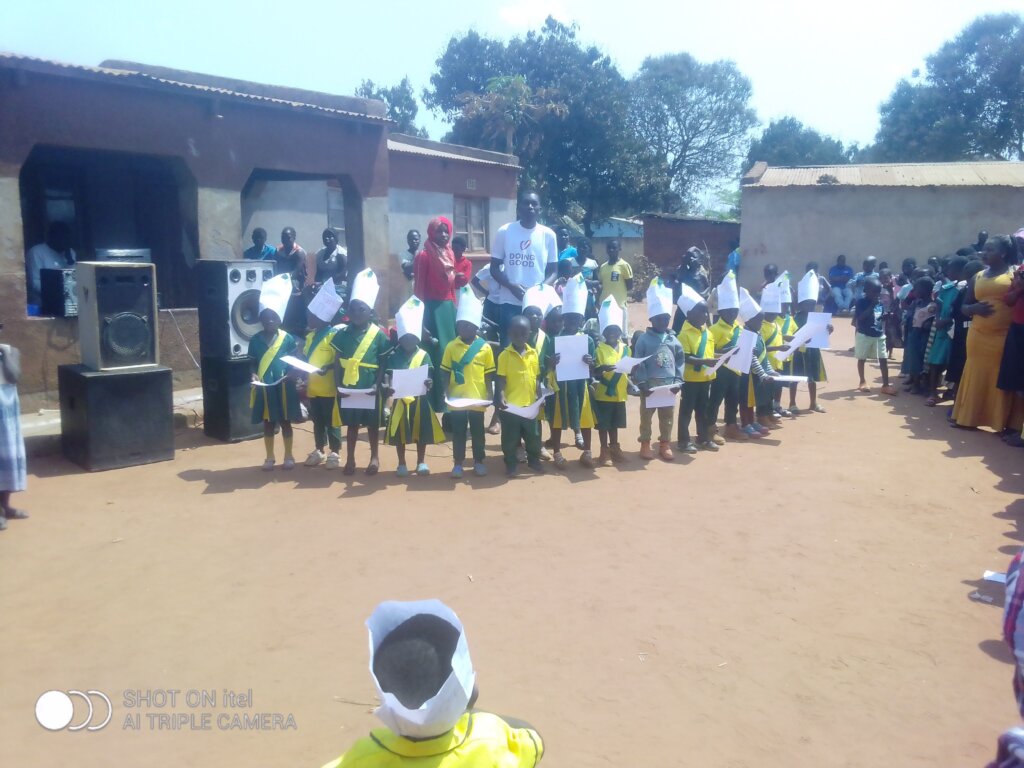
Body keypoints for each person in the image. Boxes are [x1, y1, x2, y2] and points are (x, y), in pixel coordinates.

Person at [319, 599, 544, 768]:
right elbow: (533, 738)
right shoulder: (492, 742)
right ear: (467, 692)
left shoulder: (360, 758)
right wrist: (470, 710)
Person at [952, 235, 1024, 432]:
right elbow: (963, 306)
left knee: (1000, 376)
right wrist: (974, 308)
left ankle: (1001, 422)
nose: (985, 252)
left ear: (1002, 253)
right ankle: (968, 417)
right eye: (984, 249)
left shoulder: (1015, 274)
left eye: (990, 249)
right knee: (975, 371)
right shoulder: (978, 276)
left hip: (1005, 336)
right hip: (978, 334)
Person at [333, 269, 389, 475]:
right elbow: (337, 362)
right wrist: (337, 385)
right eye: (353, 309)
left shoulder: (379, 335)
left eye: (361, 309)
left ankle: (374, 458)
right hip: (349, 386)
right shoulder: (342, 334)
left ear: (370, 312)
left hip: (370, 386)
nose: (357, 313)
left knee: (372, 425)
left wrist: (378, 383)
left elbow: (383, 361)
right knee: (352, 424)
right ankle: (350, 459)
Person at [385, 297, 445, 477]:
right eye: (405, 337)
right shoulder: (394, 356)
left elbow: (429, 376)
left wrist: (429, 382)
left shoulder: (424, 355)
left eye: (412, 337)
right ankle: (401, 463)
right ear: (400, 337)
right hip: (399, 400)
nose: (408, 340)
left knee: (421, 432)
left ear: (417, 337)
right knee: (400, 435)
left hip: (420, 400)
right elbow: (389, 375)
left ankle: (421, 461)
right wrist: (388, 387)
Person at [248, 274, 302, 471]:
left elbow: (294, 361)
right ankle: (269, 457)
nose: (269, 319)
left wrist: (293, 373)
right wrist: (252, 375)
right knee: (268, 422)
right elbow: (251, 363)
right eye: (266, 316)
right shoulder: (255, 340)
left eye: (274, 316)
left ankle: (289, 455)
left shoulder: (287, 339)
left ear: (280, 318)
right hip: (265, 388)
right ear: (260, 318)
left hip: (284, 386)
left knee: (286, 421)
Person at [489, 192, 558, 345]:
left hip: (536, 304)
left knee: (535, 347)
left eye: (534, 204)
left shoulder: (548, 235)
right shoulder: (505, 231)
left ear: (540, 209)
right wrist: (510, 286)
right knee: (508, 346)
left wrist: (538, 292)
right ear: (518, 209)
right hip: (509, 301)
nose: (530, 206)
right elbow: (494, 268)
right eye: (526, 203)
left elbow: (554, 271)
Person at [442, 287, 495, 479]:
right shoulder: (451, 347)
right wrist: (446, 391)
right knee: (458, 432)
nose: (463, 328)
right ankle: (458, 463)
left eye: (467, 325)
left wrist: (489, 393)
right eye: (460, 325)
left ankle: (479, 461)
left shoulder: (485, 348)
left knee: (478, 432)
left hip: (477, 398)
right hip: (457, 399)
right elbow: (445, 371)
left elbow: (489, 373)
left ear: (476, 327)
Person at [632, 279, 684, 461]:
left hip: (669, 386)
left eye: (666, 318)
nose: (663, 321)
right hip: (649, 387)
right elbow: (639, 362)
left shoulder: (673, 341)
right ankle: (645, 444)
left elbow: (680, 362)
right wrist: (642, 382)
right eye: (659, 318)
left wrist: (679, 382)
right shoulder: (644, 340)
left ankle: (664, 444)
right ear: (651, 319)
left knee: (667, 417)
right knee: (646, 417)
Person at [548, 275, 596, 469]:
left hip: (580, 385)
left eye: (576, 319)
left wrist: (589, 362)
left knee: (585, 418)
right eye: (568, 318)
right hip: (561, 386)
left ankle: (587, 452)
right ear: (563, 319)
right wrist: (552, 363)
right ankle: (557, 453)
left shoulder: (588, 341)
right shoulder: (555, 340)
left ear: (581, 319)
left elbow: (592, 368)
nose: (572, 322)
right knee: (557, 419)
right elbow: (548, 366)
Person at [413, 217, 459, 416]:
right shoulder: (423, 256)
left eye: (446, 231)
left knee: (450, 355)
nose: (443, 235)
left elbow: (452, 288)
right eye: (439, 231)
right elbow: (418, 290)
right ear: (431, 233)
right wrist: (420, 321)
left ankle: (449, 402)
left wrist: (454, 311)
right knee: (434, 356)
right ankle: (433, 404)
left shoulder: (450, 253)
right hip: (430, 311)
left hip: (448, 310)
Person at [494, 315, 545, 477]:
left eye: (523, 334)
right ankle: (510, 462)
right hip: (511, 406)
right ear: (509, 333)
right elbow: (501, 378)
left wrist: (539, 395)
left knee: (534, 436)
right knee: (510, 437)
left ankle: (534, 459)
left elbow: (536, 377)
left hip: (530, 405)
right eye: (516, 334)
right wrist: (501, 395)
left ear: (529, 334)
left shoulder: (533, 354)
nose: (520, 337)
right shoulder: (504, 355)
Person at [300, 281, 344, 469]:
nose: (308, 318)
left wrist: (328, 367)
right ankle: (319, 449)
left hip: (328, 387)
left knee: (332, 420)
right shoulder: (309, 337)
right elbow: (306, 358)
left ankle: (335, 451)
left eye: (312, 316)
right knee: (317, 420)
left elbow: (338, 361)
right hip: (313, 387)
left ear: (322, 317)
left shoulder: (333, 335)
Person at [675, 284, 717, 453]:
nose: (705, 315)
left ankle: (703, 438)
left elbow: (711, 351)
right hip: (690, 379)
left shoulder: (709, 333)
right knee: (687, 410)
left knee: (703, 410)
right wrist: (703, 361)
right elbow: (685, 357)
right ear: (689, 314)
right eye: (701, 312)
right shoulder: (683, 334)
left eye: (706, 312)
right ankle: (683, 441)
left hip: (706, 378)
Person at [706, 271, 745, 440]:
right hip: (720, 371)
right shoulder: (714, 330)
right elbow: (709, 352)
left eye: (735, 310)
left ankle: (730, 425)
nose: (732, 314)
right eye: (728, 311)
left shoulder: (740, 327)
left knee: (733, 399)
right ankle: (710, 427)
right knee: (715, 399)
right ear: (721, 311)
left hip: (735, 370)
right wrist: (725, 353)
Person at [592, 297, 631, 465]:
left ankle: (615, 447)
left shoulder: (625, 348)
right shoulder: (599, 349)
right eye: (609, 330)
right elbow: (595, 371)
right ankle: (604, 450)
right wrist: (603, 368)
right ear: (604, 332)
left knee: (614, 424)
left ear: (620, 331)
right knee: (603, 424)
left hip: (620, 393)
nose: (613, 333)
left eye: (616, 329)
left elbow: (628, 369)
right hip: (604, 394)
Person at [924, 257, 967, 406]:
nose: (947, 272)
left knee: (954, 364)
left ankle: (952, 392)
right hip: (943, 330)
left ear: (960, 270)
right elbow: (938, 306)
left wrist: (948, 321)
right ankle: (932, 393)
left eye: (950, 269)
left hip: (958, 331)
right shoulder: (947, 289)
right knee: (935, 361)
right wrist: (938, 319)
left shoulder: (965, 289)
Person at [0, 321, 28, 531]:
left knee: (9, 460)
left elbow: (14, 376)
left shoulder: (11, 351)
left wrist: (3, 353)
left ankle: (6, 507)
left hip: (7, 411)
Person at [946, 259, 986, 399]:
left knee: (967, 370)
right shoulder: (963, 291)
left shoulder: (983, 294)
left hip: (975, 337)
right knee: (958, 371)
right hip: (960, 337)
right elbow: (955, 310)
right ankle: (957, 404)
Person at [792, 269, 831, 413]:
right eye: (807, 303)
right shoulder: (796, 318)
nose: (810, 306)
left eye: (812, 303)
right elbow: (793, 333)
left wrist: (828, 329)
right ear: (801, 304)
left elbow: (821, 332)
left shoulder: (816, 316)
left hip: (813, 350)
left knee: (812, 377)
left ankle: (813, 402)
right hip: (798, 352)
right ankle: (792, 403)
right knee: (795, 376)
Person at [853, 278, 897, 396]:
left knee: (883, 359)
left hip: (879, 334)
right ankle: (862, 381)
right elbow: (860, 318)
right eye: (874, 292)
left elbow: (879, 317)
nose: (876, 295)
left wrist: (886, 316)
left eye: (878, 292)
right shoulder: (861, 302)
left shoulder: (880, 304)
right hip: (864, 335)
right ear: (866, 290)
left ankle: (886, 385)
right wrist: (871, 306)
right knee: (862, 358)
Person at [26, 221, 76, 307]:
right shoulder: (36, 252)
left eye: (68, 238)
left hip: (68, 301)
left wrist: (70, 261)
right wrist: (57, 292)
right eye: (62, 238)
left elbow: (74, 279)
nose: (65, 241)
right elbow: (35, 283)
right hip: (42, 301)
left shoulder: (70, 252)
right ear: (52, 237)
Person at [900, 275, 936, 394]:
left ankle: (921, 385)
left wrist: (927, 324)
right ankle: (914, 383)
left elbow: (931, 321)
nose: (914, 291)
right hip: (913, 334)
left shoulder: (932, 306)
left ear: (926, 290)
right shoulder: (917, 302)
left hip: (923, 337)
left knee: (922, 361)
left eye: (917, 289)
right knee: (913, 359)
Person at [275, 227, 312, 336]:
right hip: (282, 282)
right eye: (283, 237)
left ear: (294, 238)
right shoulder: (278, 251)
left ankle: (299, 328)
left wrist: (281, 279)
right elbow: (275, 267)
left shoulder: (299, 252)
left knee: (296, 309)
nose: (285, 239)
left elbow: (296, 272)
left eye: (288, 237)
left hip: (296, 283)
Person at [597, 239, 634, 325]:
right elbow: (601, 285)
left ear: (619, 249)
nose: (611, 250)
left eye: (614, 248)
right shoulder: (603, 267)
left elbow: (630, 286)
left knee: (622, 335)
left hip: (619, 306)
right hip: (605, 305)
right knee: (605, 333)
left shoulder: (624, 265)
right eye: (609, 248)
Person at [312, 228, 348, 310]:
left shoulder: (340, 254)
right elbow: (318, 272)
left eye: (330, 236)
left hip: (338, 285)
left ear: (335, 238)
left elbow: (342, 275)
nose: (326, 238)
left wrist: (325, 284)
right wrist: (316, 283)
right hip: (323, 285)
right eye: (324, 237)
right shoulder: (320, 253)